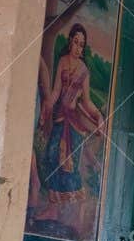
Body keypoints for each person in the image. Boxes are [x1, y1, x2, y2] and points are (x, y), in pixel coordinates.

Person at [34, 23, 104, 230]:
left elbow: (87, 101)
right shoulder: (63, 62)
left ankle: (75, 209)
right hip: (59, 118)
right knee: (51, 155)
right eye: (76, 42)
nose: (78, 48)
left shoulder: (84, 70)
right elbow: (56, 91)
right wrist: (46, 107)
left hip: (73, 122)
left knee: (70, 163)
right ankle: (54, 208)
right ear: (70, 41)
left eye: (82, 45)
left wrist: (98, 115)